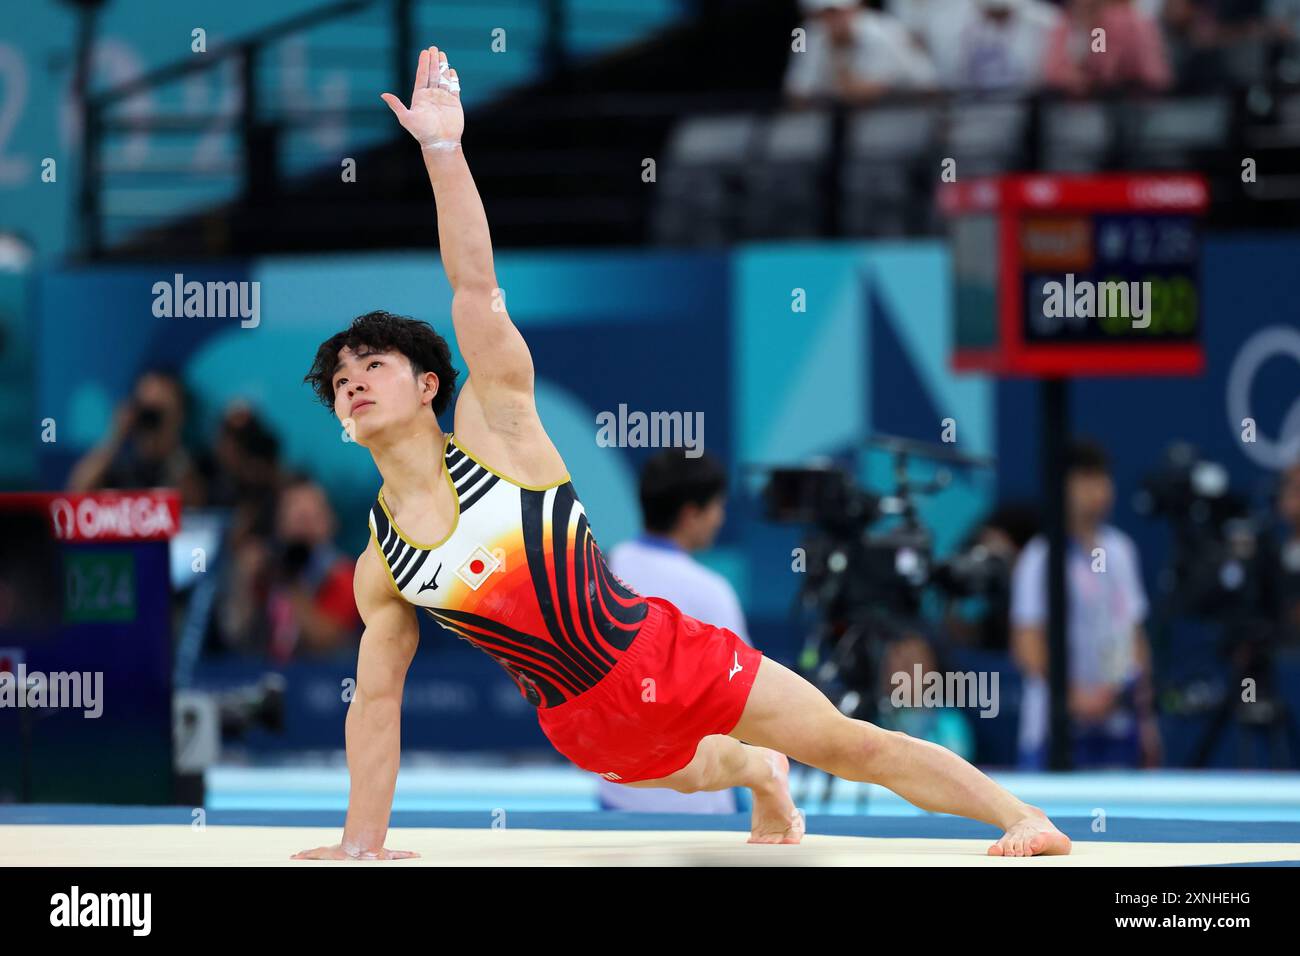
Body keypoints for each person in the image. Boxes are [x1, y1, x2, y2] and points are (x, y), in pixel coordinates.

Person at [290, 45, 1070, 861]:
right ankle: (760, 776)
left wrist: (443, 152)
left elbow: (475, 289)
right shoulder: (382, 563)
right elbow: (375, 705)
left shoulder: (497, 432)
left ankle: (1022, 816)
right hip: (581, 727)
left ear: (426, 387)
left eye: (373, 365)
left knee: (847, 744)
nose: (354, 384)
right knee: (701, 774)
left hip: (663, 653)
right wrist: (360, 846)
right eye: (340, 381)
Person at [598, 450, 753, 813]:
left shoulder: (604, 567)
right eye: (716, 507)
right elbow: (746, 703)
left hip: (617, 796)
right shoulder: (711, 592)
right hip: (696, 807)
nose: (721, 518)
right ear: (690, 514)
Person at [1010, 440, 1161, 769]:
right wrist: (1074, 698)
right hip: (1055, 729)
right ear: (1061, 487)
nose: (1100, 490)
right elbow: (1027, 644)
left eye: (1103, 479)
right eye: (1087, 479)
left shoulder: (1121, 550)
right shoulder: (1040, 558)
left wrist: (1144, 717)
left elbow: (1133, 636)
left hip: (1117, 724)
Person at [68, 367, 204, 505]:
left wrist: (170, 439)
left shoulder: (190, 464)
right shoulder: (117, 467)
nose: (151, 419)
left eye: (158, 412)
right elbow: (77, 494)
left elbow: (197, 505)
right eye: (146, 409)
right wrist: (115, 437)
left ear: (180, 413)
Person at [784, 0, 938, 106]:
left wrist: (836, 54)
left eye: (837, 12)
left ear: (856, 9)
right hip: (847, 125)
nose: (832, 20)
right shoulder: (810, 35)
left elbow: (861, 94)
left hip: (904, 116)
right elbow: (797, 92)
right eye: (824, 14)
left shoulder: (883, 32)